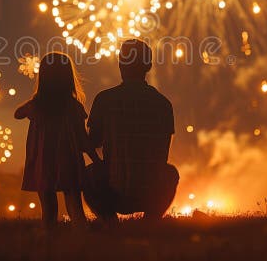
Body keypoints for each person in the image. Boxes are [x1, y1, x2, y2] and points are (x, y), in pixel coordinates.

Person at [84, 39, 179, 221]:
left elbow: (92, 143)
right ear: (149, 65)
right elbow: (163, 151)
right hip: (151, 189)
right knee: (170, 172)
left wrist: (107, 166)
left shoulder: (104, 100)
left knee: (89, 173)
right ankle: (150, 220)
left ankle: (109, 221)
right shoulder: (162, 103)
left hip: (112, 189)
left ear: (120, 64)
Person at [15, 52, 99, 229]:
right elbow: (82, 138)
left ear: (43, 78)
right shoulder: (73, 107)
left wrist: (36, 99)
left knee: (48, 211)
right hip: (68, 160)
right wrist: (96, 159)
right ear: (68, 77)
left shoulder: (37, 107)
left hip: (43, 162)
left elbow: (18, 114)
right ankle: (82, 240)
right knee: (75, 206)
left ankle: (48, 242)